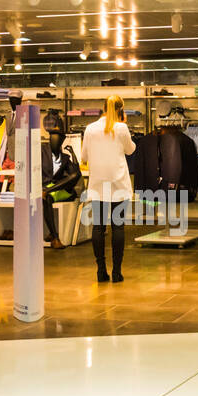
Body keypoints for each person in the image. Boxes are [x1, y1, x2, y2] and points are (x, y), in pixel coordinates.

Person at [80, 94, 136, 283]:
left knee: (98, 226)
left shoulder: (90, 129)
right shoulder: (121, 128)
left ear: (103, 108)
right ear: (121, 110)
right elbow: (131, 150)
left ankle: (101, 271)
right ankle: (117, 272)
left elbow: (84, 156)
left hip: (97, 183)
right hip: (118, 182)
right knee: (118, 226)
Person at [41, 131, 81, 249]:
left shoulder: (64, 157)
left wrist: (73, 154)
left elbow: (75, 173)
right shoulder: (41, 152)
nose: (54, 141)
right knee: (46, 199)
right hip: (45, 187)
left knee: (75, 175)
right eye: (53, 139)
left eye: (58, 140)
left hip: (58, 188)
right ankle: (54, 237)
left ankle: (47, 192)